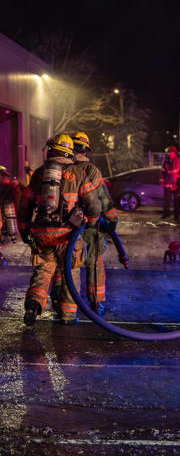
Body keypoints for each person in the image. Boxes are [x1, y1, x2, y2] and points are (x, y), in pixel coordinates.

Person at [17, 134, 102, 326]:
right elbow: (94, 205)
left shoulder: (39, 174)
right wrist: (91, 221)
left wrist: (24, 231)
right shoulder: (79, 173)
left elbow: (24, 205)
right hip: (67, 236)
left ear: (52, 150)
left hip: (42, 234)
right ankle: (67, 315)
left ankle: (34, 304)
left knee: (43, 270)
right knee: (69, 273)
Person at [54, 131, 118, 316]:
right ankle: (96, 304)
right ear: (86, 150)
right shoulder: (90, 170)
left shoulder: (60, 167)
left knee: (66, 263)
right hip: (89, 225)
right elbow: (102, 198)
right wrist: (112, 219)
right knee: (94, 261)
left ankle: (60, 300)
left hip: (65, 226)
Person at [160, 145, 180, 220]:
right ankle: (166, 213)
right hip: (168, 183)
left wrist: (179, 183)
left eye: (172, 152)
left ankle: (177, 216)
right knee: (166, 200)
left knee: (177, 201)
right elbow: (162, 172)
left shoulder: (179, 161)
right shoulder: (166, 161)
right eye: (169, 152)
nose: (170, 154)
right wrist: (162, 181)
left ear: (175, 153)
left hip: (176, 183)